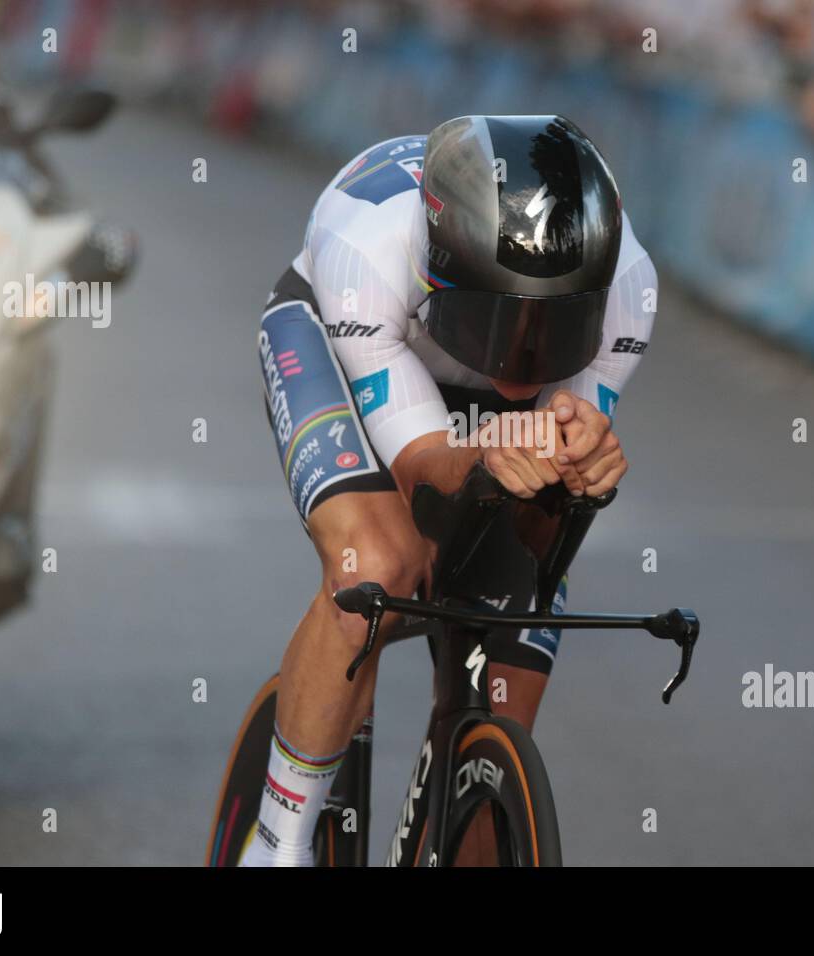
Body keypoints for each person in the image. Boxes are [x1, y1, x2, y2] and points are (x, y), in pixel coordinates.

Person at [240, 114, 655, 866]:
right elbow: (425, 474)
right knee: (379, 566)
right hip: (343, 342)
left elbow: (554, 497)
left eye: (554, 329)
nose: (525, 362)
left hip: (461, 379)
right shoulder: (366, 254)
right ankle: (278, 843)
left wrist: (581, 465)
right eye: (500, 322)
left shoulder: (629, 285)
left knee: (517, 621)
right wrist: (487, 459)